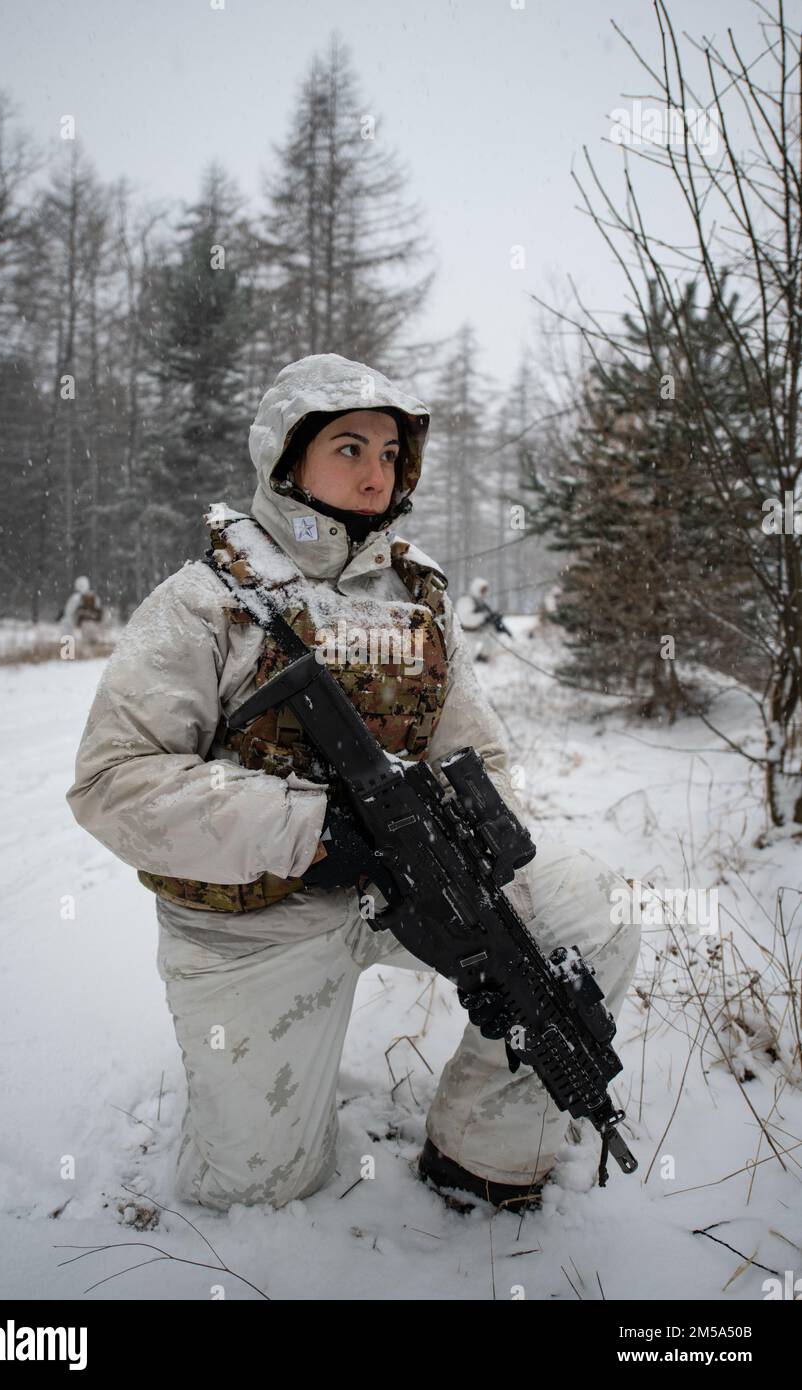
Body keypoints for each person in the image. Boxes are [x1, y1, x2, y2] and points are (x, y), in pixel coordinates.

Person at [65, 353, 641, 1216]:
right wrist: (313, 829)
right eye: (350, 447)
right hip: (252, 918)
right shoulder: (206, 599)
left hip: (403, 889)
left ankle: (481, 1157)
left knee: (580, 915)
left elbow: (480, 754)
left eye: (390, 454)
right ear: (288, 457)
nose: (377, 473)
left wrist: (479, 893)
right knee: (255, 1192)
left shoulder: (422, 600)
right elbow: (113, 782)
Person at [456, 576, 499, 664]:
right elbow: (465, 619)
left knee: (490, 638)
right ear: (477, 588)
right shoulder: (466, 600)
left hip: (477, 631)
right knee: (466, 659)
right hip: (466, 634)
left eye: (485, 591)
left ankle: (482, 658)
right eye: (482, 590)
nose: (484, 593)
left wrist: (491, 617)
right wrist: (484, 617)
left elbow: (486, 613)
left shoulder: (480, 601)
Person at [60, 575, 104, 649]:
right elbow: (99, 608)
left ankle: (67, 650)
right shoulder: (94, 596)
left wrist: (62, 615)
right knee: (88, 637)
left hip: (77, 620)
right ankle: (89, 647)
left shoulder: (75, 597)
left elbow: (68, 611)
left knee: (66, 626)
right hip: (91, 622)